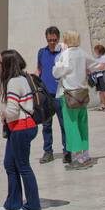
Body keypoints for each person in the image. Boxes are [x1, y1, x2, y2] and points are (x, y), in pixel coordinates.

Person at [0, 49, 41, 210]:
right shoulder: (23, 78)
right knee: (10, 163)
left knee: (23, 166)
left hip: (20, 127)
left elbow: (13, 110)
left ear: (7, 64)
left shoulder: (14, 82)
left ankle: (33, 205)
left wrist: (3, 115)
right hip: (21, 127)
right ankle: (12, 203)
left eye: (1, 63)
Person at [53, 31, 93, 169]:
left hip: (69, 95)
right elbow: (94, 65)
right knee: (83, 124)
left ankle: (77, 158)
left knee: (72, 126)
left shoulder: (65, 55)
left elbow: (57, 73)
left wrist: (59, 59)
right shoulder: (83, 53)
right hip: (82, 94)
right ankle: (86, 154)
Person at [33, 26, 69, 164]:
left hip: (60, 95)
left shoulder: (63, 54)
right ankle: (48, 152)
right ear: (46, 39)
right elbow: (39, 69)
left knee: (64, 125)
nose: (52, 42)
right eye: (49, 40)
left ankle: (67, 151)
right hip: (45, 96)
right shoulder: (41, 52)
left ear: (58, 39)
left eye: (54, 40)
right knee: (46, 126)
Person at [90, 44, 105, 111]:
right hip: (97, 76)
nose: (95, 51)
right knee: (100, 92)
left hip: (103, 75)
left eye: (96, 50)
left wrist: (95, 68)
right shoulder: (96, 58)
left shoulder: (103, 57)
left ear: (99, 50)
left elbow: (102, 67)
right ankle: (103, 105)